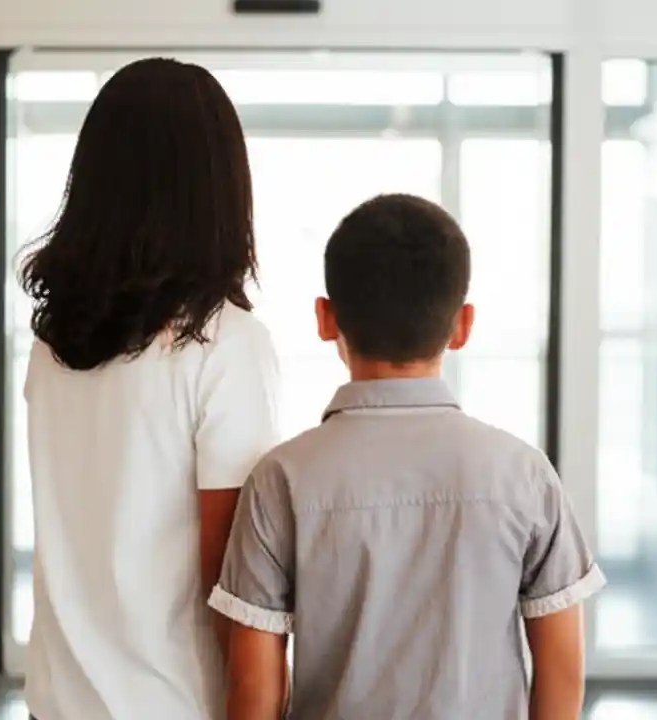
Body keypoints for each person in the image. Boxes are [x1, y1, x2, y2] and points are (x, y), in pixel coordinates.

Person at [209, 194, 604, 719]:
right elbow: (561, 673)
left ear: (325, 319)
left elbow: (253, 689)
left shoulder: (280, 479)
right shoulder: (524, 475)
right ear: (463, 325)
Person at [20, 58, 279, 720]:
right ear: (221, 188)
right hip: (176, 702)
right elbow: (233, 581)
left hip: (58, 694)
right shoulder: (223, 344)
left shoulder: (56, 343)